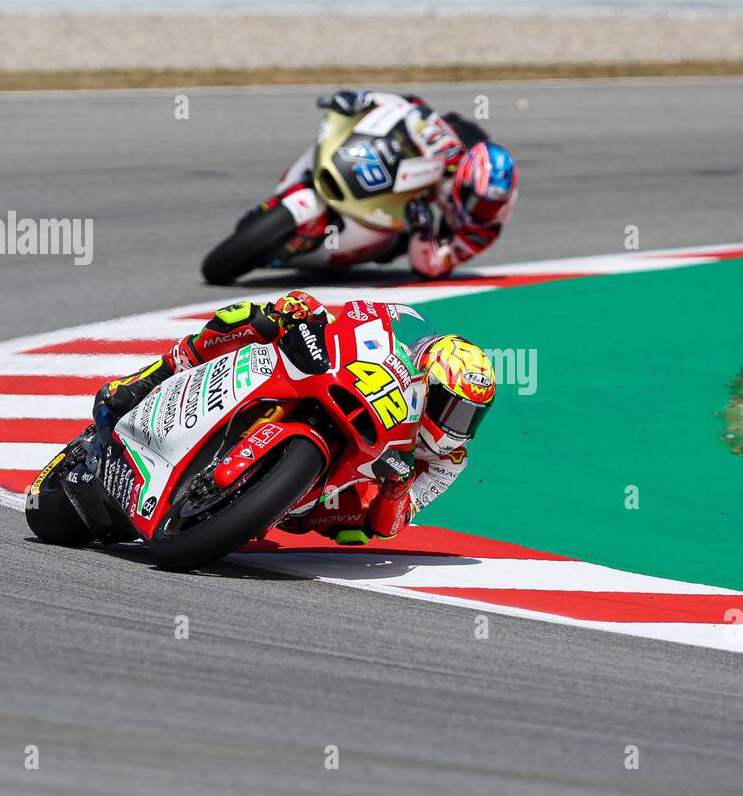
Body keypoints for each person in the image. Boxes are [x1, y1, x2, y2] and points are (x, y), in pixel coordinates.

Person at [91, 291, 495, 544]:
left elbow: (392, 526)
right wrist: (304, 312)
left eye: (471, 417)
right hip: (340, 401)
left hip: (341, 485)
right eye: (453, 408)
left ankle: (259, 503)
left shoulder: (449, 462)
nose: (457, 426)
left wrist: (396, 491)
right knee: (253, 317)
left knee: (353, 527)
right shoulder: (397, 366)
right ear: (426, 379)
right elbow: (347, 327)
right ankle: (153, 377)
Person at [275, 90, 517, 277]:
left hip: (408, 216)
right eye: (476, 202)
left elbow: (435, 267)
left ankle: (343, 253)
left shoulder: (485, 230)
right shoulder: (463, 137)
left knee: (392, 244)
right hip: (406, 169)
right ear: (463, 180)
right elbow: (412, 106)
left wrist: (423, 233)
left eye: (488, 207)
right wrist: (365, 99)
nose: (480, 211)